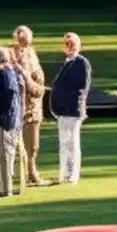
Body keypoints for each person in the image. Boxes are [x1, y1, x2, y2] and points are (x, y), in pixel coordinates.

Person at [49, 32, 90, 184]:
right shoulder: (66, 62)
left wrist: (80, 106)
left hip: (73, 108)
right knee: (63, 142)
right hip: (62, 109)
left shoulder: (81, 62)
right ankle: (63, 172)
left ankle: (74, 173)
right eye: (66, 44)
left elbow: (83, 87)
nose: (69, 47)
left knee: (73, 141)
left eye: (71, 44)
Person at [11, 25, 48, 188]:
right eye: (20, 36)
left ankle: (31, 171)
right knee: (24, 144)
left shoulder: (32, 53)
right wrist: (36, 87)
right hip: (22, 106)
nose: (23, 40)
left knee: (33, 145)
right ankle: (28, 174)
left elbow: (37, 77)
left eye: (26, 37)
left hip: (35, 105)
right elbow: (25, 79)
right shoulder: (14, 55)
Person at [0, 48, 23, 198]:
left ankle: (6, 189)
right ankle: (11, 186)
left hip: (5, 120)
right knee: (10, 154)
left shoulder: (1, 75)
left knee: (6, 156)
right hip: (14, 119)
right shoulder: (13, 73)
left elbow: (4, 99)